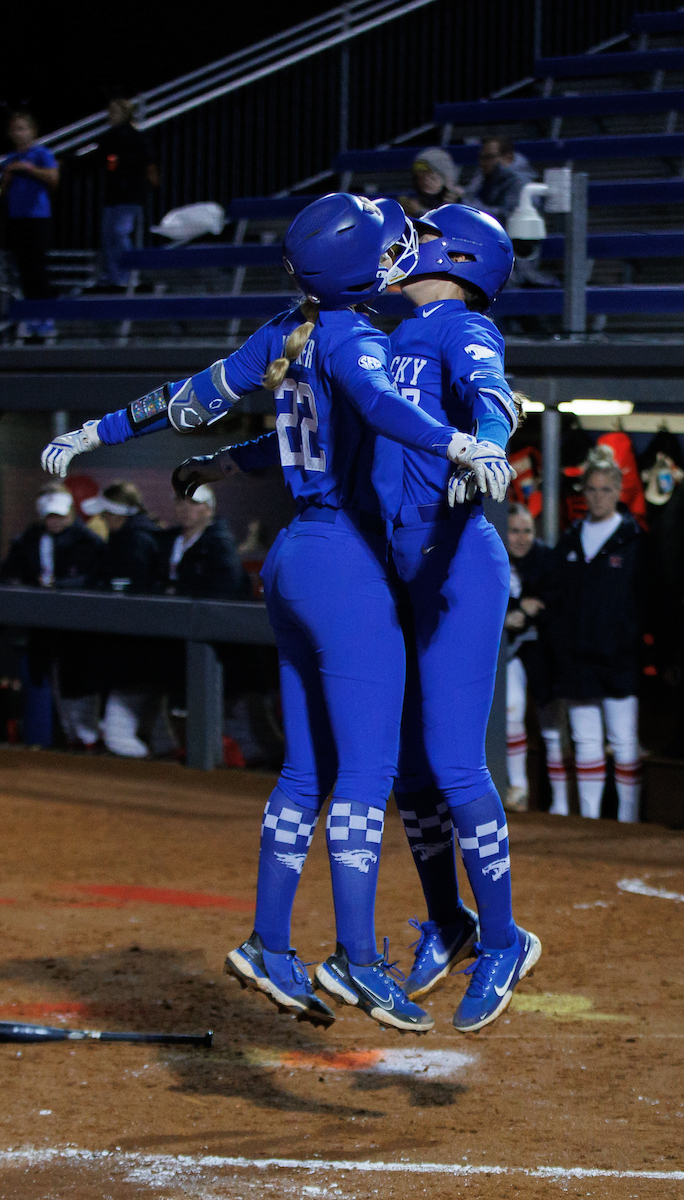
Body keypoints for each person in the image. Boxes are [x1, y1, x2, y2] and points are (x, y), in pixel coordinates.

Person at [40, 192, 512, 1034]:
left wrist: (97, 434)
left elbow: (188, 399)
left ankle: (269, 942)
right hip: (347, 565)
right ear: (359, 270)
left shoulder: (287, 328)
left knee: (305, 773)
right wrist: (460, 442)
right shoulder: (361, 339)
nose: (402, 251)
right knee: (366, 774)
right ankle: (360, 958)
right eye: (388, 245)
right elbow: (381, 410)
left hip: (292, 559)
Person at [379, 203, 541, 1032]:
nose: (407, 246)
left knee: (451, 761)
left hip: (458, 567)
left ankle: (505, 939)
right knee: (408, 769)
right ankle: (450, 921)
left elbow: (492, 397)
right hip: (401, 569)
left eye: (425, 236)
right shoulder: (388, 333)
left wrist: (488, 443)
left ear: (461, 257)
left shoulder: (460, 325)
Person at [549, 445, 644, 823]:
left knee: (624, 741)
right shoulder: (569, 540)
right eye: (592, 489)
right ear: (583, 492)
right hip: (577, 660)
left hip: (620, 659)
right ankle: (589, 822)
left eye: (606, 489)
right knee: (585, 741)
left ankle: (627, 822)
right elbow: (557, 597)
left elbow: (650, 599)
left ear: (619, 491)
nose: (599, 496)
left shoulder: (635, 541)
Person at [0, 484, 104, 748]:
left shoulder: (88, 542)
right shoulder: (27, 541)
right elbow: (10, 575)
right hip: (41, 629)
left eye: (60, 515)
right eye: (50, 516)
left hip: (78, 631)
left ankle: (87, 740)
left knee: (78, 689)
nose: (55, 521)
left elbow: (96, 579)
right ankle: (72, 740)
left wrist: (60, 585)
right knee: (53, 687)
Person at [81, 482, 162, 757]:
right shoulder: (135, 534)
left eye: (106, 513)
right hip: (144, 646)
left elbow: (131, 592)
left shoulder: (133, 540)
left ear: (118, 514)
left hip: (136, 646)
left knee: (118, 737)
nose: (102, 518)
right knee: (155, 730)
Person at [502, 503, 566, 815]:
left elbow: (557, 600)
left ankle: (562, 803)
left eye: (527, 531)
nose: (521, 538)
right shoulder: (493, 558)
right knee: (512, 709)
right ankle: (519, 788)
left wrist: (528, 612)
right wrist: (511, 613)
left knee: (552, 727)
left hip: (546, 652)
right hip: (510, 650)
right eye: (514, 531)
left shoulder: (546, 558)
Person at [1, 110, 59, 340]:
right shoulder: (9, 159)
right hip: (16, 218)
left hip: (37, 217)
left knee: (38, 268)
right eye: (15, 129)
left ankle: (46, 318)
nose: (19, 134)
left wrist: (28, 169)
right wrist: (7, 178)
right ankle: (31, 318)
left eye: (23, 128)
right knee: (23, 269)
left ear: (32, 131)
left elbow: (54, 179)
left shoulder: (41, 154)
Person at [93, 98, 159, 291]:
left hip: (131, 193)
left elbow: (147, 160)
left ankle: (128, 274)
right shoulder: (109, 137)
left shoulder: (136, 136)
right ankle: (113, 275)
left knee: (120, 232)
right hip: (113, 194)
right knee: (108, 235)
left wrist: (151, 178)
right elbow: (100, 158)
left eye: (115, 112)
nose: (111, 116)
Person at [461, 136, 532, 226]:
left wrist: (464, 203)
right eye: (481, 158)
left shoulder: (520, 182)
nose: (483, 163)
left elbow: (506, 216)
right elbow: (471, 196)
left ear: (507, 158)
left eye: (489, 157)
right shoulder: (483, 176)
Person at [398, 147, 460, 218]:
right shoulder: (410, 206)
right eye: (420, 177)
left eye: (432, 178)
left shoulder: (461, 204)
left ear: (446, 178)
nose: (426, 181)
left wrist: (420, 213)